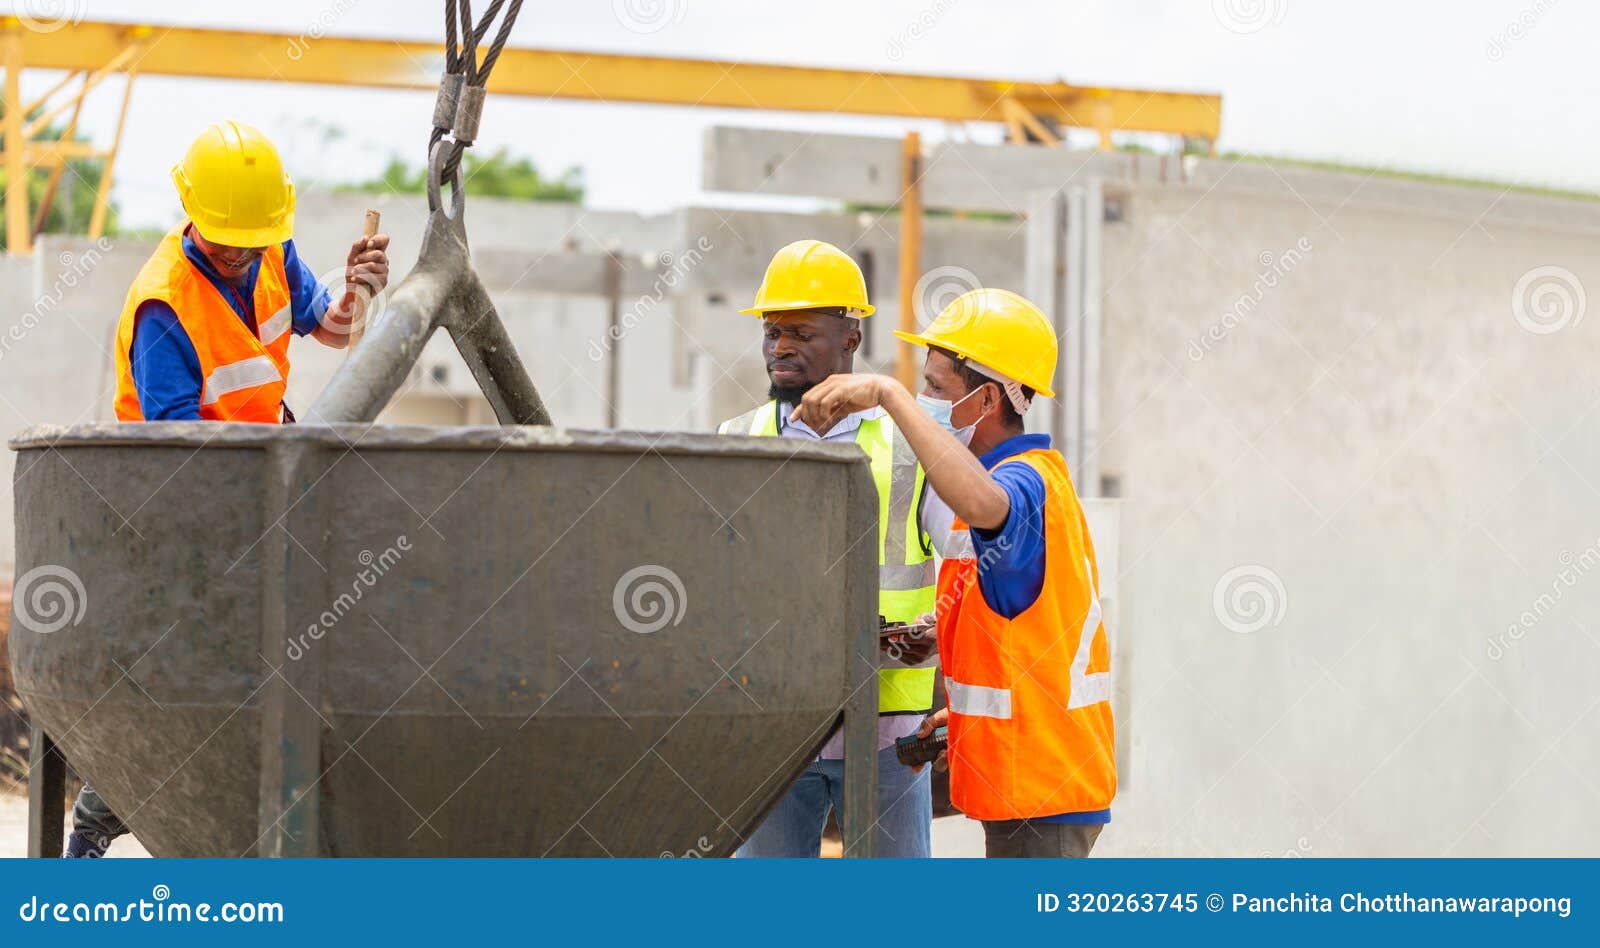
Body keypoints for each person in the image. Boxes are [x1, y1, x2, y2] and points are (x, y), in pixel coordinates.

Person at [65, 120, 390, 858]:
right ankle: (99, 818)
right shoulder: (164, 308)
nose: (240, 254)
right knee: (193, 675)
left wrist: (358, 292)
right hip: (179, 514)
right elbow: (179, 455)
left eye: (252, 240)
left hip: (263, 493)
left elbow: (327, 326)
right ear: (193, 215)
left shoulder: (267, 243)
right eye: (226, 243)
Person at [791, 288, 1116, 858]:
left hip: (1045, 789)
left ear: (987, 399)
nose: (926, 401)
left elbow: (987, 504)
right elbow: (1020, 638)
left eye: (936, 389)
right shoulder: (1030, 479)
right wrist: (962, 714)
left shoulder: (1023, 482)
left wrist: (889, 396)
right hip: (1032, 782)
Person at [718, 239, 938, 858]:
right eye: (772, 332)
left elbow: (971, 560)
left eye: (802, 333)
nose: (780, 347)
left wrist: (935, 629)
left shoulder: (910, 444)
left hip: (887, 728)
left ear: (851, 337)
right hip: (771, 727)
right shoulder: (734, 440)